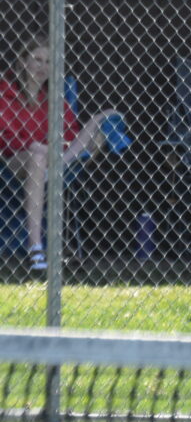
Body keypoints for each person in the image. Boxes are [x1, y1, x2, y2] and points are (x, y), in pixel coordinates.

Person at [0, 34, 130, 272]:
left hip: (53, 160)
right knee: (37, 155)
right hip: (14, 161)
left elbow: (70, 134)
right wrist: (38, 147)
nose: (43, 67)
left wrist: (53, 150)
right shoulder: (4, 92)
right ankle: (35, 246)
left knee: (104, 119)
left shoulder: (54, 98)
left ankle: (54, 168)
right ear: (22, 61)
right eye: (37, 59)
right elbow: (6, 139)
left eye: (49, 62)